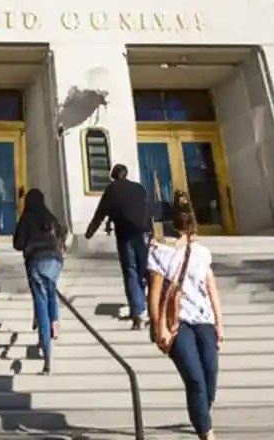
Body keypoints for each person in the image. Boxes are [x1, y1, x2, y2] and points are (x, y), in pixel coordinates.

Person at [147, 205, 225, 440]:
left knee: (210, 375)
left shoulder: (202, 253)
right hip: (176, 323)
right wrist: (158, 327)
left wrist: (219, 325)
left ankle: (201, 413)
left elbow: (211, 290)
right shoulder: (160, 251)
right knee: (195, 378)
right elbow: (155, 293)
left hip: (204, 320)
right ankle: (205, 431)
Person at [84, 164, 152, 330]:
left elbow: (100, 213)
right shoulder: (139, 188)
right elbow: (147, 210)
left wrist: (89, 233)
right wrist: (151, 231)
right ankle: (148, 307)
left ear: (113, 176)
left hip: (124, 236)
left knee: (130, 272)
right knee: (144, 271)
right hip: (141, 234)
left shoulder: (111, 190)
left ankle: (138, 312)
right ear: (126, 174)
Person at [11, 189, 65, 375]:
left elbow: (17, 244)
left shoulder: (26, 218)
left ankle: (47, 350)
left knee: (40, 303)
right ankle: (55, 323)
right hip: (55, 261)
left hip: (36, 260)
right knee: (52, 292)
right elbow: (61, 239)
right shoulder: (51, 217)